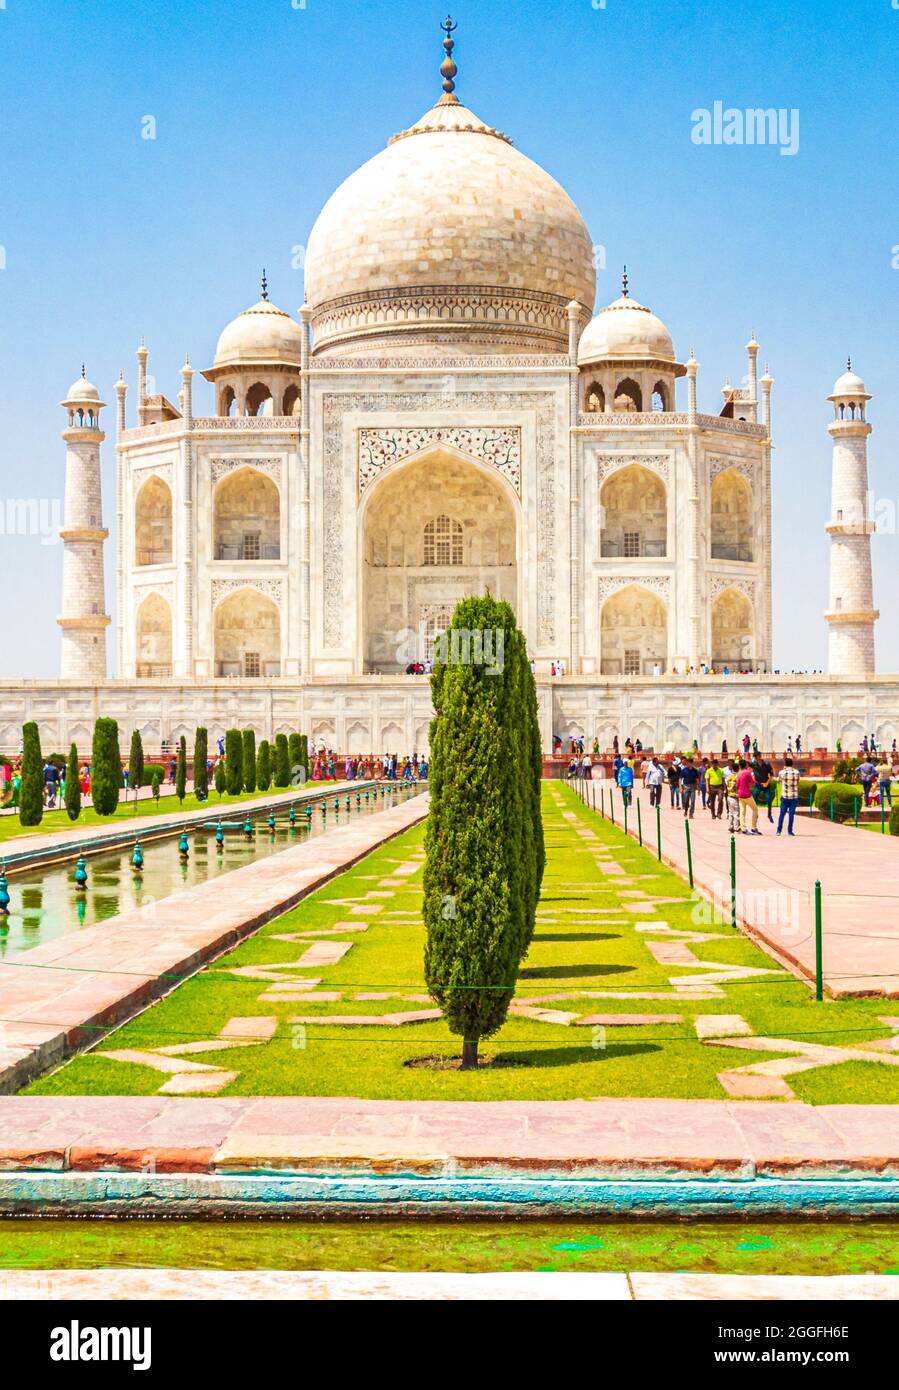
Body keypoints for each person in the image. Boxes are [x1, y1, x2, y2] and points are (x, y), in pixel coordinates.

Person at [776, 757, 800, 836]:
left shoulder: (782, 772)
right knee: (791, 815)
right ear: (792, 764)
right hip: (794, 797)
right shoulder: (797, 772)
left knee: (782, 814)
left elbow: (778, 781)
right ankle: (790, 831)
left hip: (785, 796)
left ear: (785, 764)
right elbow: (798, 782)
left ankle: (779, 831)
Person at [736, 759, 760, 834]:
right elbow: (753, 782)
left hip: (740, 794)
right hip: (747, 794)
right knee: (755, 809)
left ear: (740, 766)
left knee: (742, 812)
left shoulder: (738, 773)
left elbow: (737, 785)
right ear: (746, 765)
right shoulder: (747, 773)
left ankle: (743, 828)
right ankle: (753, 827)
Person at [724, 762, 740, 834]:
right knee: (736, 813)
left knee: (731, 813)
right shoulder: (737, 777)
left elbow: (726, 784)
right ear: (738, 769)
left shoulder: (729, 776)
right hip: (735, 796)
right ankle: (736, 828)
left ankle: (730, 828)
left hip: (729, 795)